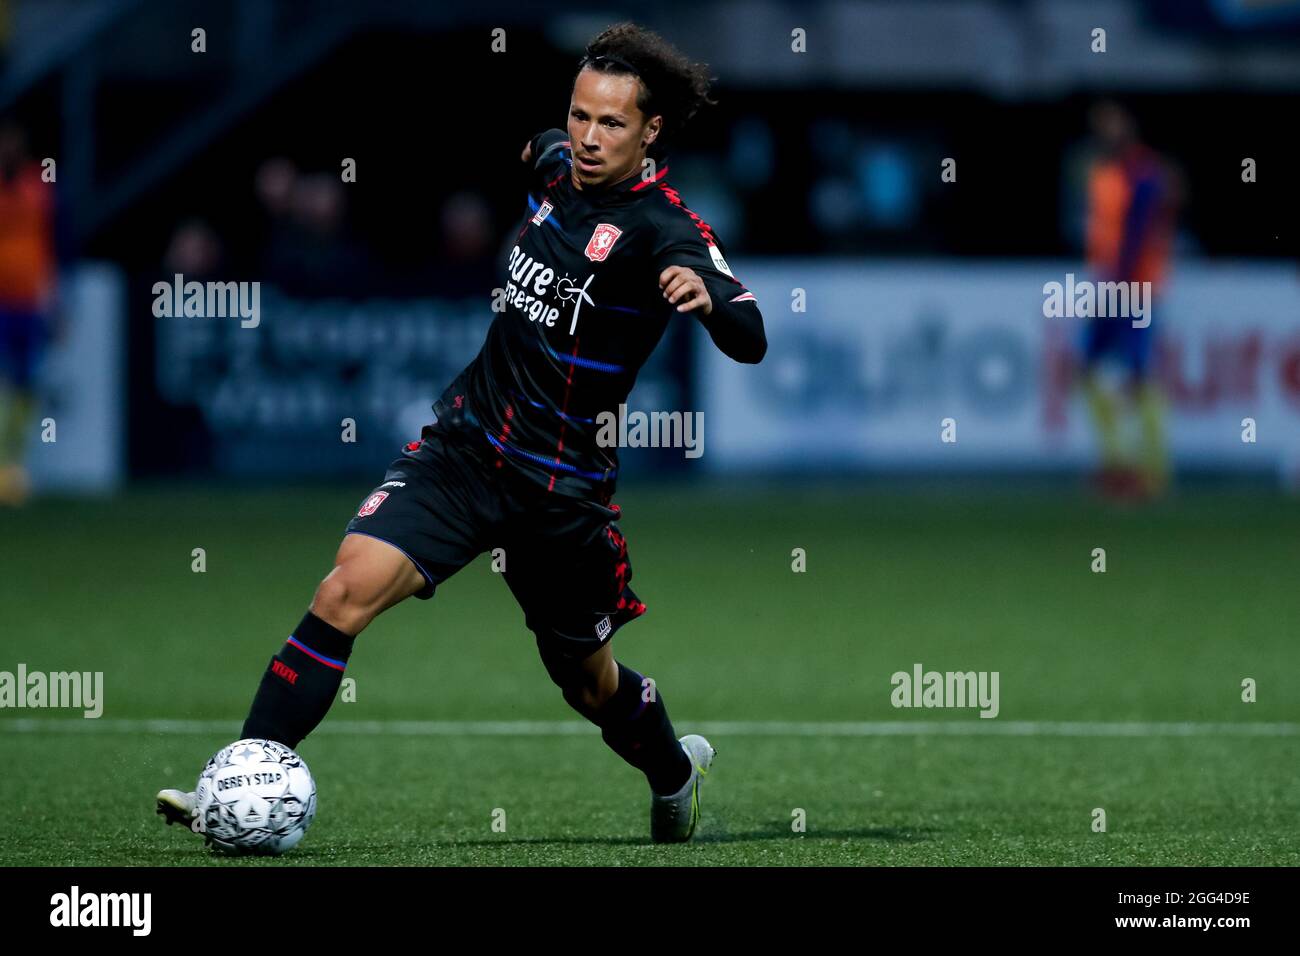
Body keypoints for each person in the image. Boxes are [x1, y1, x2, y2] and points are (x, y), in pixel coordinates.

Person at [157, 22, 766, 845]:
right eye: (581, 114)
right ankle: (235, 785)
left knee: (587, 683)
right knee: (342, 591)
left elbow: (750, 329)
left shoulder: (666, 229)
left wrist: (707, 296)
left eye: (612, 123)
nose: (588, 136)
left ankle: (673, 773)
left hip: (560, 492)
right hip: (465, 449)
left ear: (651, 131)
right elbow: (533, 150)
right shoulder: (554, 164)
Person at [1079, 101, 1180, 499]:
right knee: (1090, 370)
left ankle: (1152, 468)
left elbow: (1137, 236)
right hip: (1113, 282)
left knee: (1137, 374)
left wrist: (1117, 286)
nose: (1106, 132)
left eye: (1112, 124)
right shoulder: (1105, 173)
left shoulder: (1143, 175)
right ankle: (1118, 463)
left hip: (1135, 287)